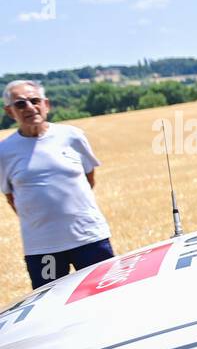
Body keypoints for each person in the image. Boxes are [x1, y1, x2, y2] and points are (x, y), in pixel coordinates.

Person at [1, 80, 115, 290]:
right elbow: (11, 197)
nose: (29, 107)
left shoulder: (72, 136)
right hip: (42, 249)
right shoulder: (4, 152)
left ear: (46, 104)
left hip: (89, 239)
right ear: (10, 112)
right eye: (20, 104)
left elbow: (88, 177)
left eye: (35, 100)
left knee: (104, 295)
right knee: (50, 307)